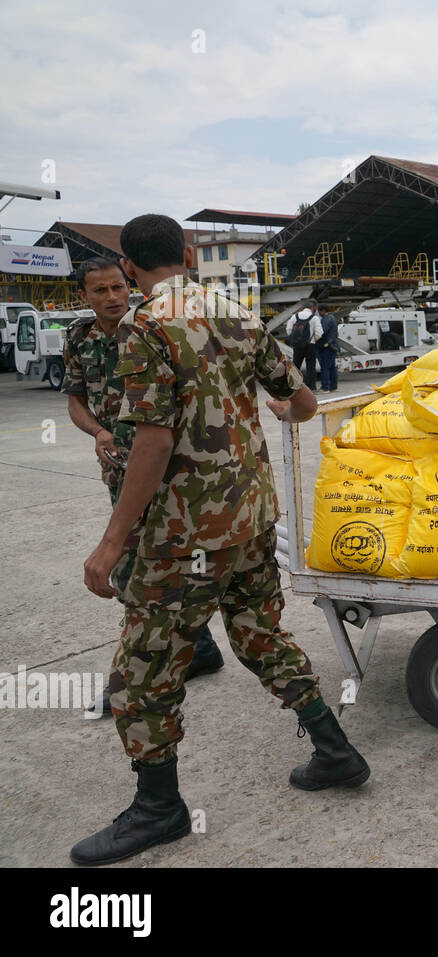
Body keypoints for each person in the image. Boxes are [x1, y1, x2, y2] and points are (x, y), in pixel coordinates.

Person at [71, 215, 369, 866]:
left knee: (143, 673)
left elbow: (150, 440)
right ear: (190, 252)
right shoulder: (239, 312)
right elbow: (304, 402)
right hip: (252, 519)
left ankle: (159, 808)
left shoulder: (143, 327)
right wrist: (275, 412)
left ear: (128, 267)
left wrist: (112, 541)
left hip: (181, 533)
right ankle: (335, 750)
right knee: (262, 636)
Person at [63, 257, 224, 717]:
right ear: (84, 296)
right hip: (123, 475)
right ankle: (184, 656)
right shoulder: (78, 338)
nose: (113, 297)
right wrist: (98, 431)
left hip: (176, 470)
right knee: (135, 567)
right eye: (100, 291)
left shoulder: (151, 325)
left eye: (118, 287)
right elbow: (75, 400)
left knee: (177, 564)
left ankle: (144, 674)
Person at [286, 305, 320, 389]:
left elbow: (288, 330)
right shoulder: (314, 318)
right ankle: (311, 386)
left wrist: (295, 339)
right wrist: (314, 340)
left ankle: (294, 385)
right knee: (311, 366)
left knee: (296, 365)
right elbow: (319, 332)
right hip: (310, 345)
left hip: (297, 345)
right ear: (312, 308)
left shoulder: (295, 316)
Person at [315, 305, 340, 392]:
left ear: (323, 311)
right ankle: (333, 386)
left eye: (319, 312)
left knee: (325, 367)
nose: (319, 314)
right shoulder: (332, 317)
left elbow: (322, 331)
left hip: (326, 346)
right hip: (332, 346)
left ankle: (325, 387)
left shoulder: (327, 319)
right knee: (332, 367)